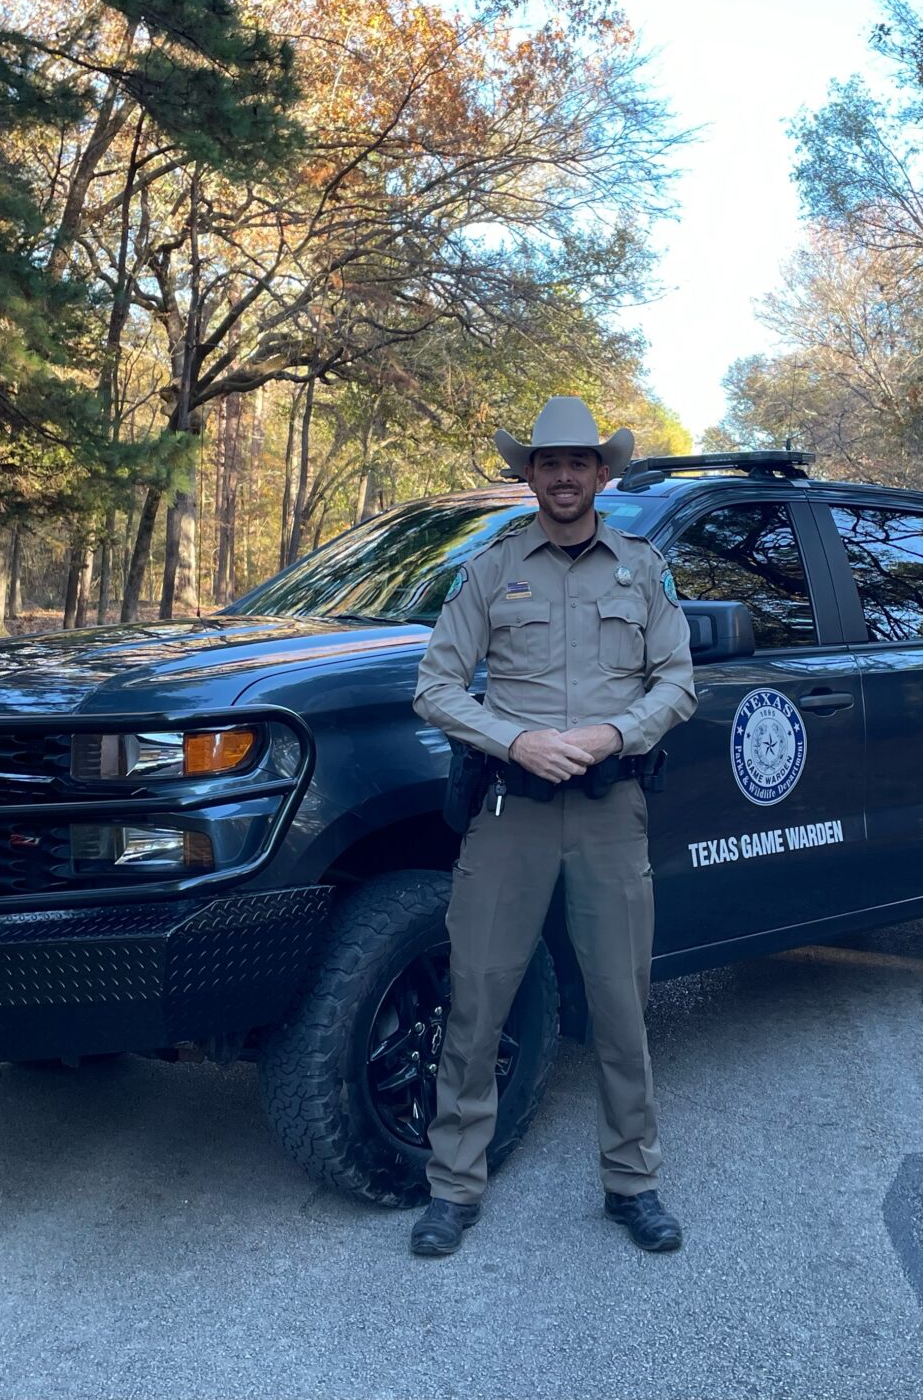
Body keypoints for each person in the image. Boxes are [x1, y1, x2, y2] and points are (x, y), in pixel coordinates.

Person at [407, 396, 697, 1257]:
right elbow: (435, 685)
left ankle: (632, 1182)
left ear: (602, 475)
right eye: (548, 463)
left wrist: (615, 734)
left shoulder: (642, 570)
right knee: (478, 998)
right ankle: (454, 1187)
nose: (564, 476)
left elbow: (678, 683)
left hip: (612, 812)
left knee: (620, 1004)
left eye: (580, 462)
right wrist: (517, 740)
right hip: (510, 813)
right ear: (528, 475)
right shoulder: (492, 568)